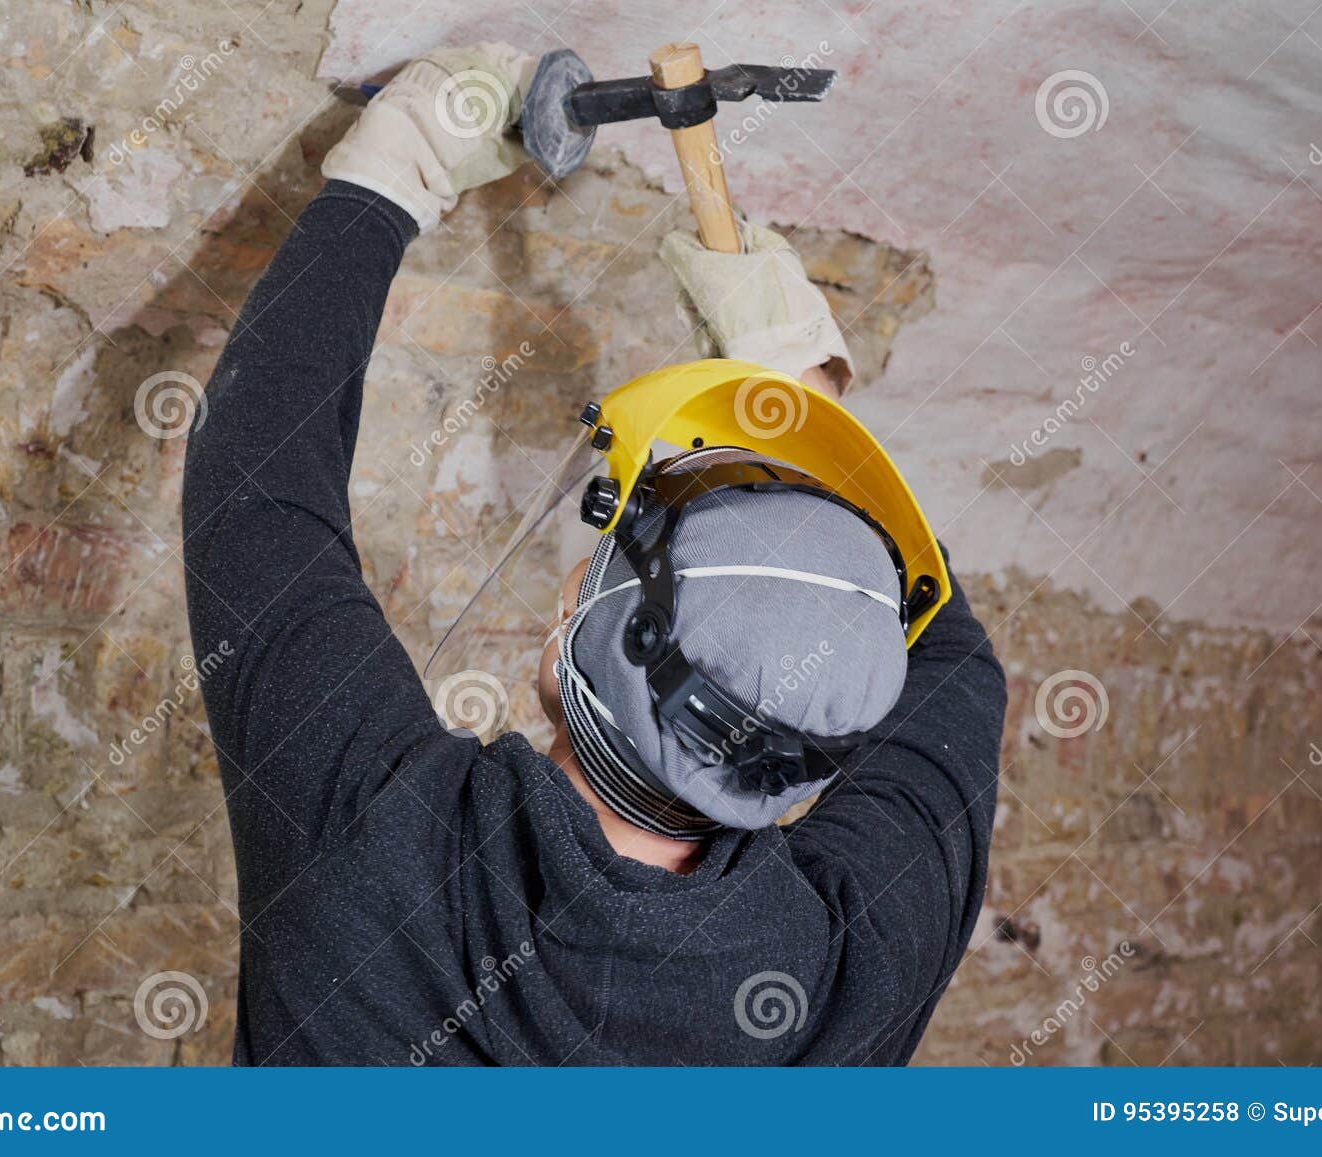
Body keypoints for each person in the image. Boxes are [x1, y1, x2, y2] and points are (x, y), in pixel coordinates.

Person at [182, 44, 1006, 1066]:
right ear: (798, 767)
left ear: (578, 602)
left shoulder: (374, 830)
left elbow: (258, 482)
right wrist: (796, 398)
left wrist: (396, 168)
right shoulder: (846, 975)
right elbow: (955, 672)